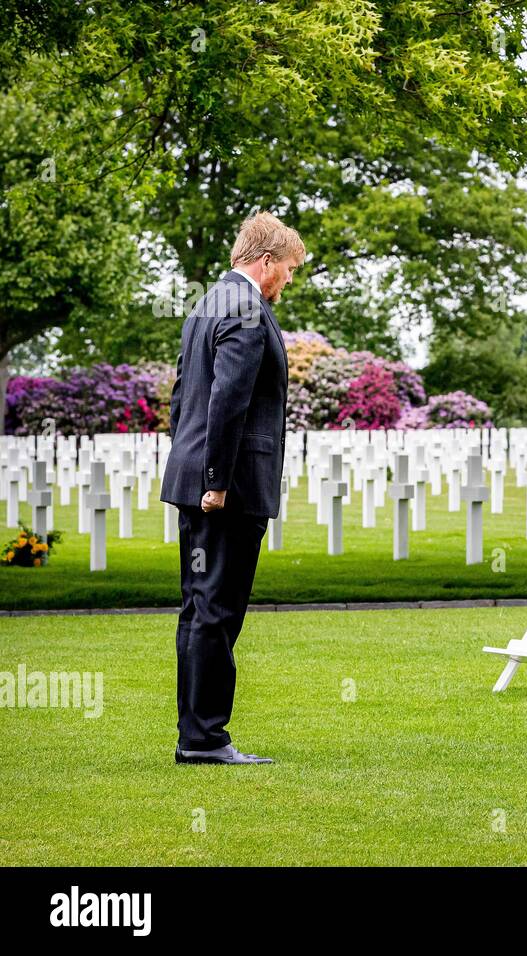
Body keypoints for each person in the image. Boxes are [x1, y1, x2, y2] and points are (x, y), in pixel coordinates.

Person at [160, 211, 304, 765]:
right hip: (230, 487)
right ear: (265, 261)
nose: (288, 280)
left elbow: (180, 397)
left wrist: (194, 467)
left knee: (198, 607)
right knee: (217, 609)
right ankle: (205, 738)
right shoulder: (246, 310)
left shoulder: (208, 304)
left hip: (196, 478)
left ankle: (196, 734)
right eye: (288, 269)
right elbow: (227, 400)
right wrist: (217, 481)